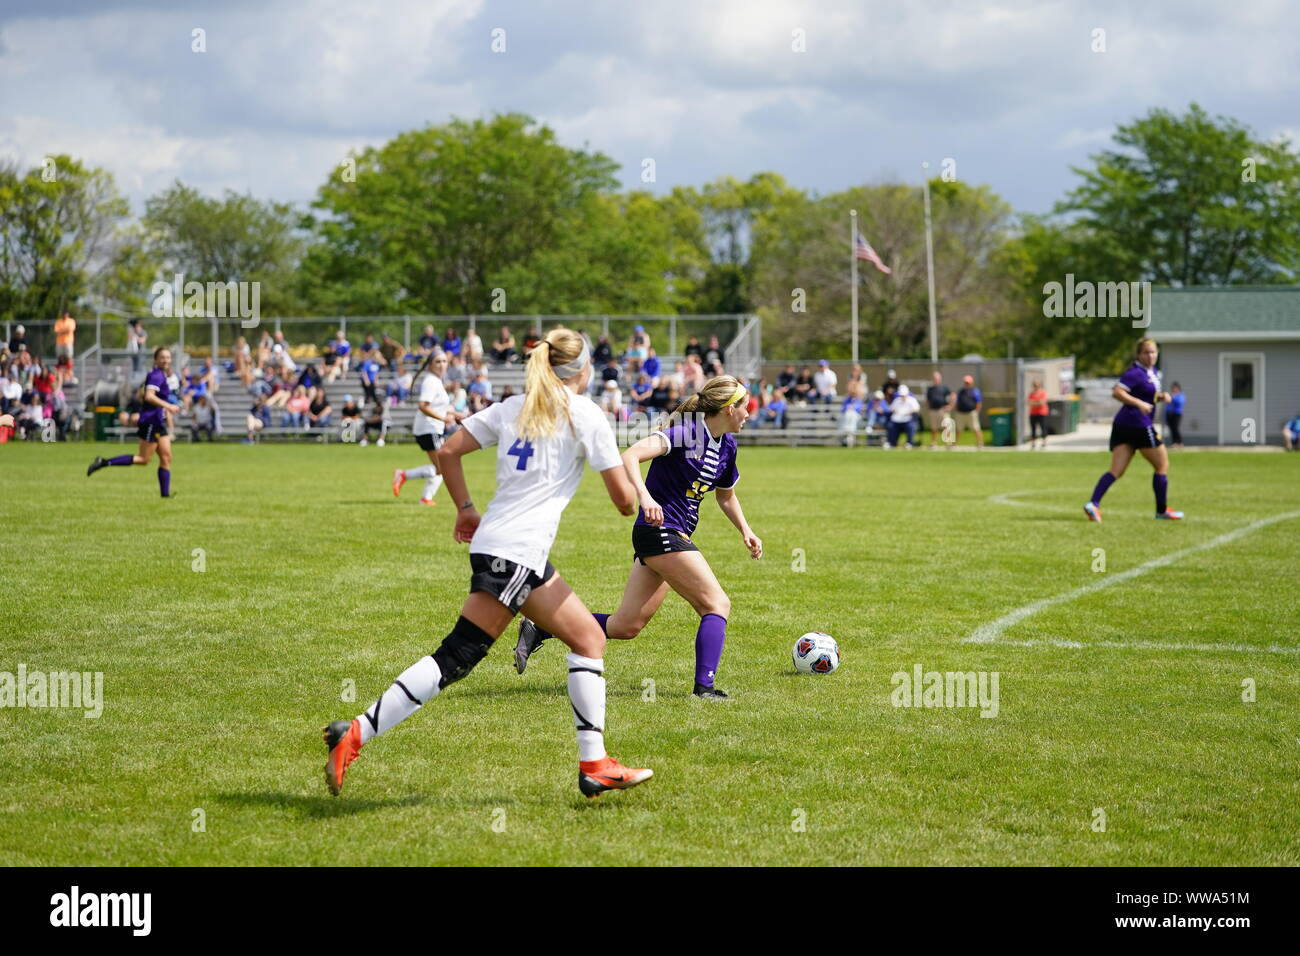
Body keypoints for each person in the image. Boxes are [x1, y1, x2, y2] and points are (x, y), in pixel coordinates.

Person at [322, 327, 652, 800]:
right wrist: (629, 492)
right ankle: (355, 733)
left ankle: (596, 764)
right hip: (515, 552)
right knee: (457, 656)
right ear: (584, 370)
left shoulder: (511, 406)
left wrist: (465, 507)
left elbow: (448, 451)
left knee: (588, 637)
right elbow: (623, 502)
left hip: (504, 546)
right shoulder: (586, 415)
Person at [514, 375, 761, 699]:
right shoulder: (688, 433)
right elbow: (630, 455)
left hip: (669, 534)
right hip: (661, 531)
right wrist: (645, 498)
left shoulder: (727, 445)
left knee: (625, 626)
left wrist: (746, 531)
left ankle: (542, 627)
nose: (749, 414)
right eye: (746, 407)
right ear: (729, 409)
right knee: (717, 603)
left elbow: (725, 495)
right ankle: (705, 688)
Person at [1084, 337, 1183, 522]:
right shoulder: (1135, 372)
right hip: (1139, 425)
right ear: (1138, 354)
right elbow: (1117, 392)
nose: (1150, 355)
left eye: (1153, 351)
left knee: (1116, 470)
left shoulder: (1150, 372)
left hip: (1123, 425)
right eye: (1146, 352)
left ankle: (1093, 504)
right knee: (1162, 466)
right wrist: (1139, 404)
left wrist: (1160, 397)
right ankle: (1161, 511)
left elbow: (1144, 394)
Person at [86, 347, 179, 497]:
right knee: (143, 459)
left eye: (168, 357)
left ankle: (165, 495)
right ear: (155, 360)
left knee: (166, 457)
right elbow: (148, 396)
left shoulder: (162, 375)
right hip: (150, 422)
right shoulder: (156, 375)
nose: (166, 360)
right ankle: (104, 462)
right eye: (162, 357)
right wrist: (168, 406)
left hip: (158, 422)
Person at [393, 351, 459, 505]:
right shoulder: (431, 382)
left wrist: (457, 414)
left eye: (444, 361)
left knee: (442, 467)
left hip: (432, 429)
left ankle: (424, 496)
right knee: (443, 467)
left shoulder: (436, 381)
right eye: (438, 361)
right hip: (428, 429)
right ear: (430, 365)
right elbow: (423, 406)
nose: (442, 364)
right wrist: (443, 418)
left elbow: (439, 406)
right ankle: (405, 477)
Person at [953, 375, 984, 448]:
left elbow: (979, 402)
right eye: (965, 382)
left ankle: (980, 443)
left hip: (971, 413)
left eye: (968, 383)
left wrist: (976, 411)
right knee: (958, 429)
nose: (967, 384)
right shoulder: (960, 391)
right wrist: (956, 409)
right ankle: (955, 444)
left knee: (976, 428)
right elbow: (957, 401)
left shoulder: (975, 391)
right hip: (961, 413)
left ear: (971, 383)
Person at [886, 384, 920, 449]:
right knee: (890, 426)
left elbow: (917, 409)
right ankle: (892, 443)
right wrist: (896, 411)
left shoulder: (912, 400)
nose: (902, 397)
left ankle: (909, 443)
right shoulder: (896, 400)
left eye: (904, 395)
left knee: (911, 426)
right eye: (901, 395)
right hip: (896, 420)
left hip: (907, 420)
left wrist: (909, 411)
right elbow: (891, 409)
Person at [925, 371, 953, 448]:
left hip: (942, 410)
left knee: (946, 426)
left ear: (940, 379)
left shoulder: (944, 388)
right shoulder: (930, 389)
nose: (936, 380)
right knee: (934, 428)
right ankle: (933, 443)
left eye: (937, 378)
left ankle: (949, 443)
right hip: (933, 410)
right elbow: (928, 400)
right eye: (934, 378)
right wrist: (928, 408)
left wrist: (950, 405)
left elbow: (952, 395)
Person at [1027, 379, 1049, 449]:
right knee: (1033, 429)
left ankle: (1044, 442)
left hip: (1042, 413)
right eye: (1034, 385)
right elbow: (1029, 403)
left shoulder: (1043, 393)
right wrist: (1037, 402)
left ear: (1039, 386)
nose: (1035, 387)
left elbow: (1042, 403)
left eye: (1037, 385)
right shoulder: (1031, 394)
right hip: (1033, 413)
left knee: (1043, 428)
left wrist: (1035, 402)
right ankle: (1033, 443)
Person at [1166, 382, 1185, 449]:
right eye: (1173, 388)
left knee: (1175, 428)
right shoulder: (1171, 395)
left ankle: (1179, 442)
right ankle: (1174, 443)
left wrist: (1173, 397)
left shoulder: (1180, 395)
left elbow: (1180, 402)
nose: (1174, 389)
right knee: (1172, 429)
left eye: (1175, 388)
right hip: (1170, 414)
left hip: (1177, 413)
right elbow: (1167, 404)